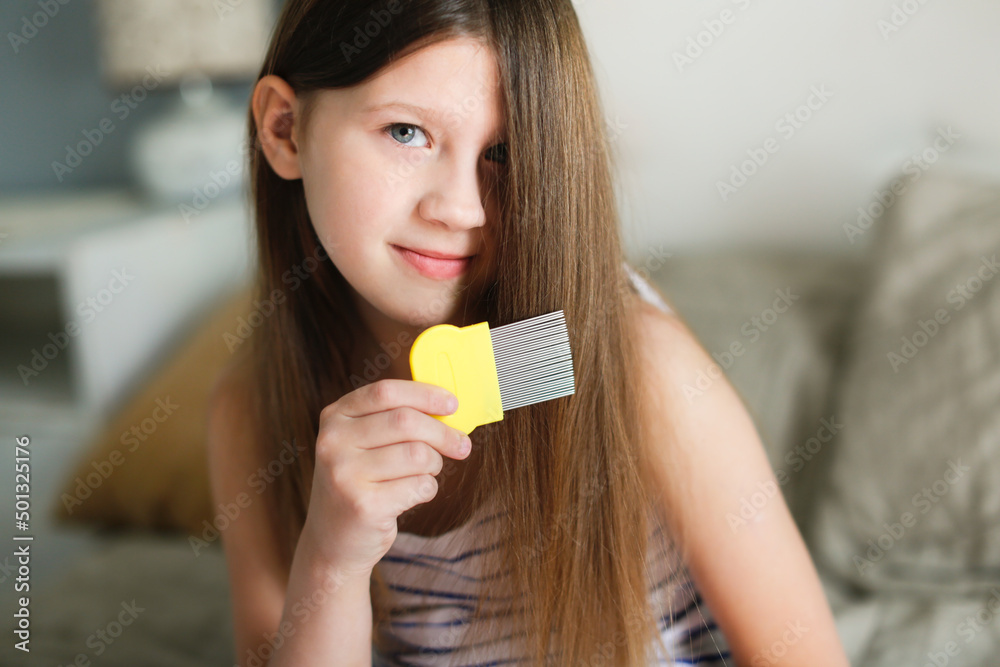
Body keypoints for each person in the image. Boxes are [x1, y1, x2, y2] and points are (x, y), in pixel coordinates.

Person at [207, 1, 852, 665]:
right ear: (284, 130)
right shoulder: (251, 410)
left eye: (503, 152)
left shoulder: (640, 366)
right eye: (406, 132)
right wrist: (332, 562)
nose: (460, 207)